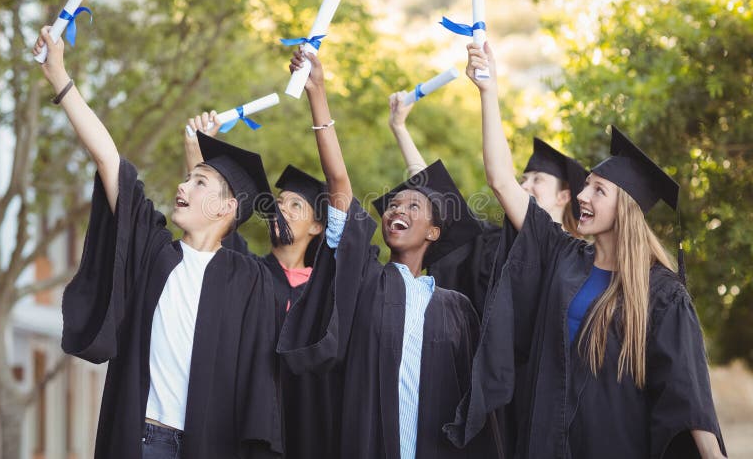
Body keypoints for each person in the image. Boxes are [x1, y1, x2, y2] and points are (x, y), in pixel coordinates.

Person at [445, 40, 726, 458]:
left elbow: (687, 393)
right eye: (585, 186)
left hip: (614, 443)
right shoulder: (562, 255)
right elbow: (501, 180)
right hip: (545, 442)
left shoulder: (662, 294)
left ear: (627, 208)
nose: (583, 196)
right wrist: (489, 93)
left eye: (599, 190)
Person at [34, 27, 285, 459]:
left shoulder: (251, 280)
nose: (182, 186)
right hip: (140, 440)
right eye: (187, 178)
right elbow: (109, 159)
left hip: (210, 447)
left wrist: (201, 154)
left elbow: (260, 383)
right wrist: (59, 75)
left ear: (228, 208)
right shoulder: (155, 251)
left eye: (198, 181)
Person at [278, 50, 488, 458]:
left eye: (413, 207)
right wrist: (317, 93)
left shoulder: (457, 309)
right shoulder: (365, 280)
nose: (397, 211)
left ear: (433, 231)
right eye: (393, 205)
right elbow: (339, 183)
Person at [184, 115, 337, 459]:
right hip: (249, 420)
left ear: (316, 227)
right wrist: (197, 151)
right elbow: (207, 221)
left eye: (295, 204)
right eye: (279, 201)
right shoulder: (248, 271)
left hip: (310, 426)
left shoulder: (325, 293)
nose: (281, 208)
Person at [387, 91, 586, 315]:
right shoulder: (490, 243)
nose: (525, 186)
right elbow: (432, 195)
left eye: (537, 180)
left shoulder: (576, 259)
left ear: (564, 197)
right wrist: (399, 127)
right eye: (523, 179)